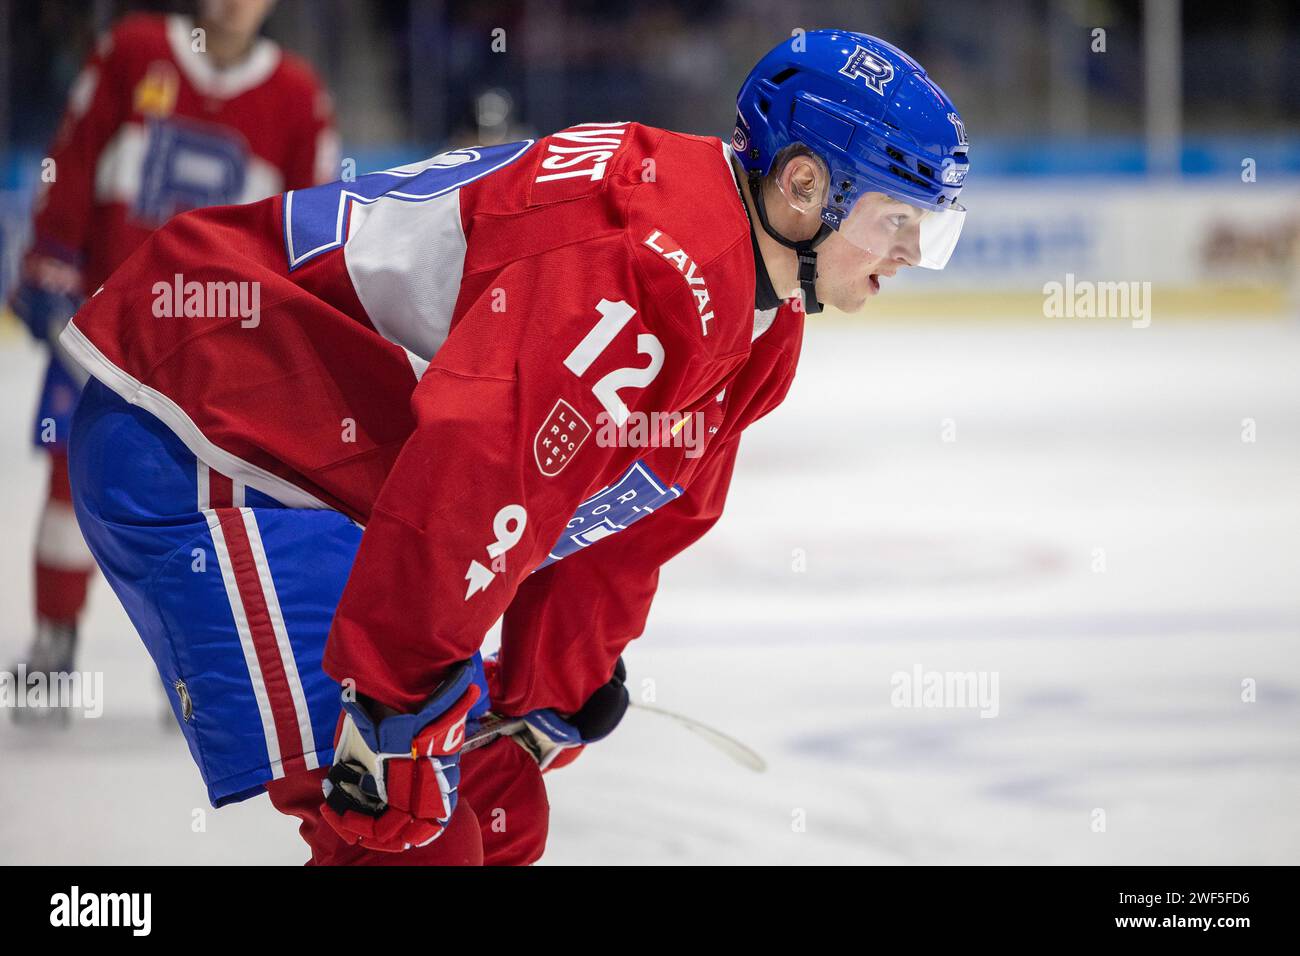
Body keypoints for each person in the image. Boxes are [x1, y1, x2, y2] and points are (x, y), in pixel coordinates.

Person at [58, 30, 968, 864]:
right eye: (896, 218)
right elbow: (484, 462)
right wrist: (396, 700)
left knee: (497, 805)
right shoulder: (643, 261)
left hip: (315, 463)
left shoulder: (759, 321)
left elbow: (639, 515)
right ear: (804, 186)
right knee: (413, 840)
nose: (910, 252)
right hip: (209, 425)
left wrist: (554, 684)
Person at [6, 0, 336, 700]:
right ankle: (55, 641)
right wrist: (49, 256)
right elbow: (73, 156)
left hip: (221, 351)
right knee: (73, 479)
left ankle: (197, 660)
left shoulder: (298, 98)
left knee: (213, 503)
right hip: (109, 328)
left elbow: (313, 233)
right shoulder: (132, 52)